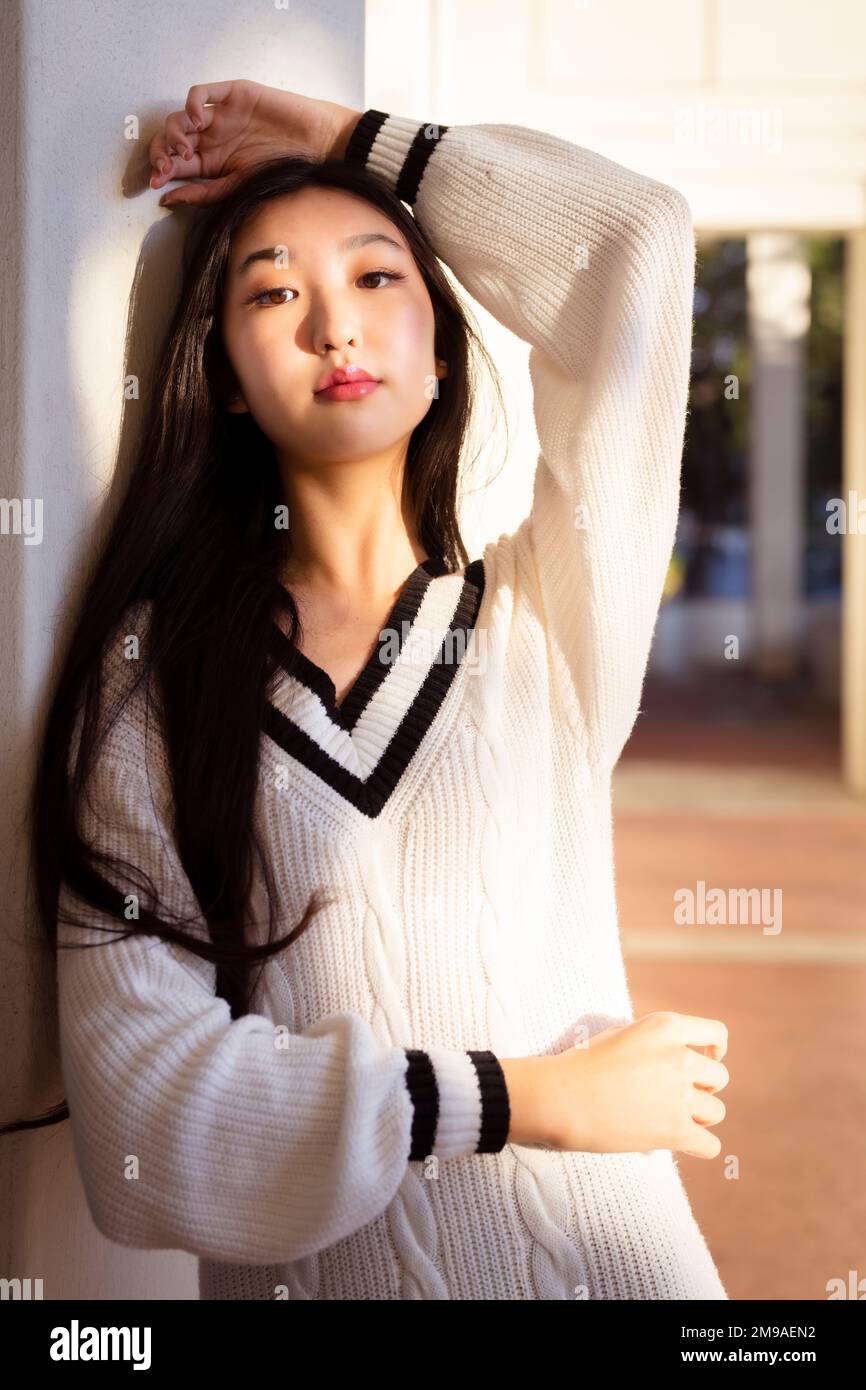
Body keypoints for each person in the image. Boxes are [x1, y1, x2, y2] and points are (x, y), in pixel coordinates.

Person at [21, 81, 731, 1300]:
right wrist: (518, 1099)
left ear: (445, 352)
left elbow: (636, 244)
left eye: (375, 277)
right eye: (273, 293)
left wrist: (351, 141)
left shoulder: (542, 623)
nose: (333, 329)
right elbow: (140, 1120)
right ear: (228, 380)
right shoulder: (152, 687)